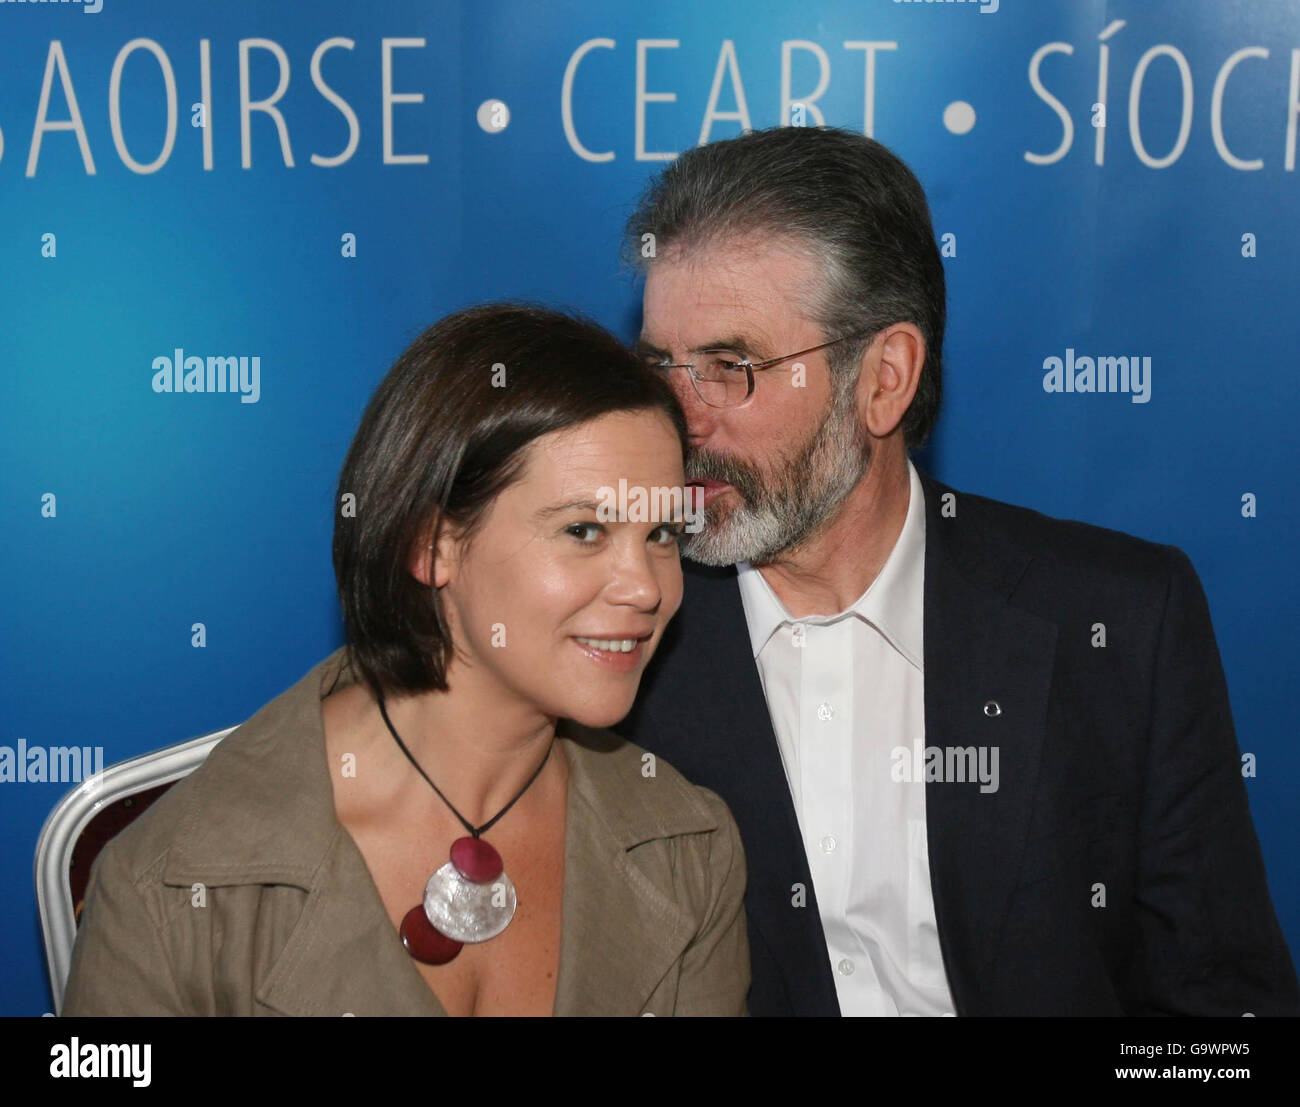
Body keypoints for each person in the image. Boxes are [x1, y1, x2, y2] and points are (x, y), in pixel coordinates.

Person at [615, 124, 1299, 1016]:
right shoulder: (620, 638)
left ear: (885, 378)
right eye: (661, 366)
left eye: (730, 368)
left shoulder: (1121, 621)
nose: (681, 420)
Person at [62, 304, 749, 1017]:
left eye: (663, 531)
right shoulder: (175, 890)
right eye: (584, 529)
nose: (645, 587)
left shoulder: (687, 848)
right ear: (431, 545)